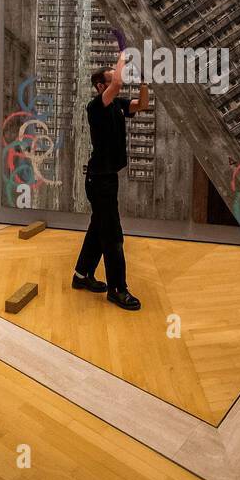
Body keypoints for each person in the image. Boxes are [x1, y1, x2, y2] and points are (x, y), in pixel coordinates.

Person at [72, 50, 148, 310]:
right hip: (99, 180)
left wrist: (145, 82)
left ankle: (81, 275)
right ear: (100, 86)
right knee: (113, 235)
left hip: (107, 178)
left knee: (98, 227)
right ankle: (118, 289)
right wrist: (123, 56)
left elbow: (141, 105)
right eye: (112, 77)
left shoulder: (117, 104)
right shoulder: (96, 106)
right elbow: (117, 82)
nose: (119, 78)